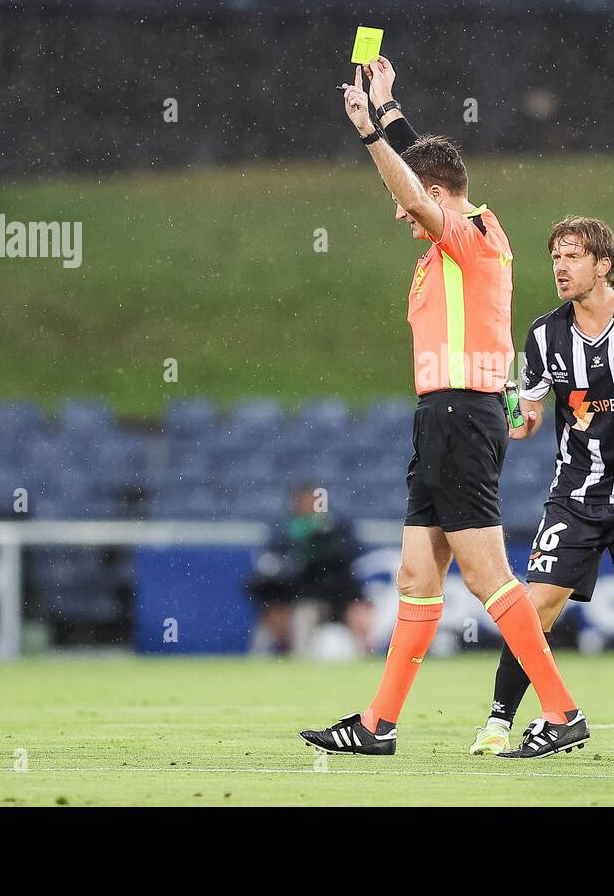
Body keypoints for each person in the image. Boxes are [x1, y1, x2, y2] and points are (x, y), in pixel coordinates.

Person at [299, 60, 588, 758]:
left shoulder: (469, 234)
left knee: (488, 576)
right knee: (416, 576)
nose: (399, 212)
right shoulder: (464, 232)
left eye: (407, 201)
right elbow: (426, 167)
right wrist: (391, 105)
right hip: (444, 417)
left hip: (461, 415)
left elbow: (418, 187)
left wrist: (368, 134)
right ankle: (379, 724)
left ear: (432, 197)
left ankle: (562, 711)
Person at [466, 215, 614, 757]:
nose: (560, 267)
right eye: (555, 257)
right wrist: (505, 414)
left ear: (603, 264)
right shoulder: (545, 333)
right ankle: (499, 721)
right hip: (576, 492)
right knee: (537, 605)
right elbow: (527, 420)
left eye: (572, 256)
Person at [248, 485, 370, 656]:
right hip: (303, 592)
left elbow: (351, 554)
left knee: (359, 612)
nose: (310, 506)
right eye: (305, 501)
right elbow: (274, 563)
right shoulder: (286, 528)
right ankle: (295, 659)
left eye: (314, 501)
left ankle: (364, 657)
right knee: (299, 613)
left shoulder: (336, 525)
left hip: (337, 590)